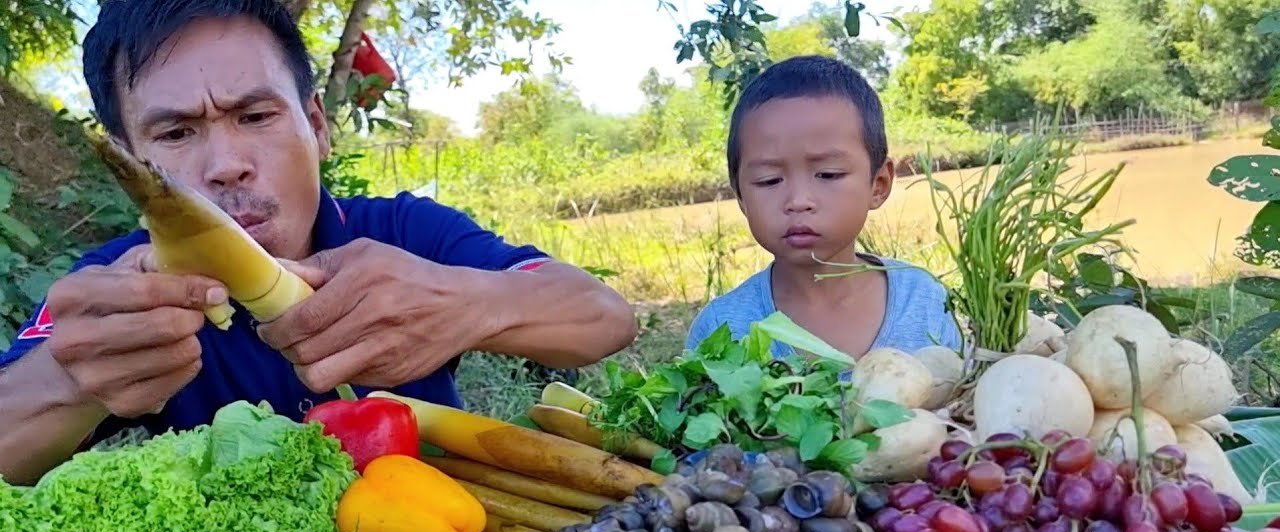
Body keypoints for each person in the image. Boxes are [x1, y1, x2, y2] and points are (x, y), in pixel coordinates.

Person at [0, 0, 638, 486]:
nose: (226, 164)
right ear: (131, 162)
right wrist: (72, 378)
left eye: (256, 116)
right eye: (175, 133)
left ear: (315, 127)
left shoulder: (406, 234)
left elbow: (604, 318)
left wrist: (468, 303)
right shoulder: (116, 291)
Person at [685, 55, 962, 360]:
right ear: (741, 197)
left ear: (878, 184)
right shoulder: (722, 331)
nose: (798, 201)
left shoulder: (925, 301)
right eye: (769, 180)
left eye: (828, 174)